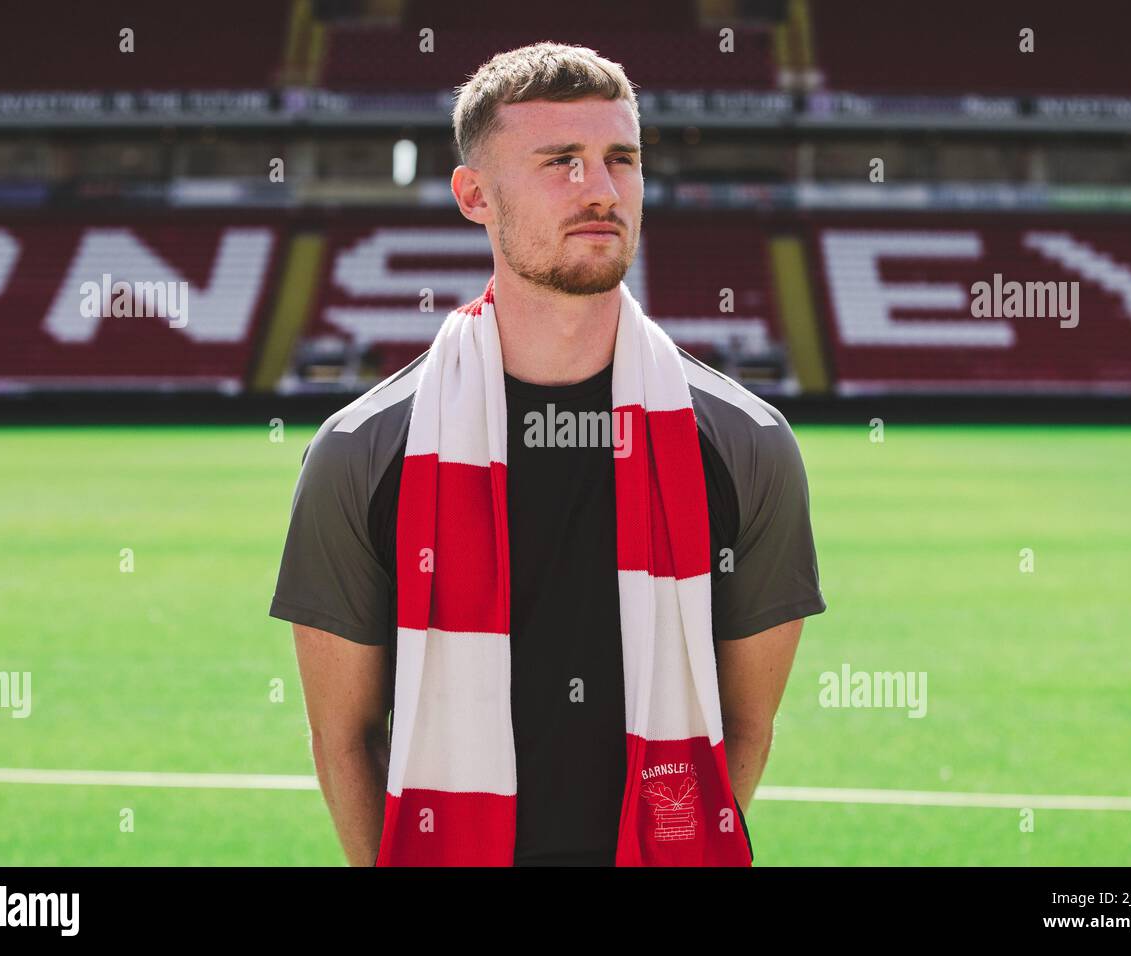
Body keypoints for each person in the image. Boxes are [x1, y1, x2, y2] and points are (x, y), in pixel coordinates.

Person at [269, 42, 826, 866]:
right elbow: (342, 737)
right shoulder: (360, 453)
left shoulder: (748, 445)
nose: (601, 190)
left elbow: (743, 727)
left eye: (620, 159)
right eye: (561, 161)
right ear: (474, 196)